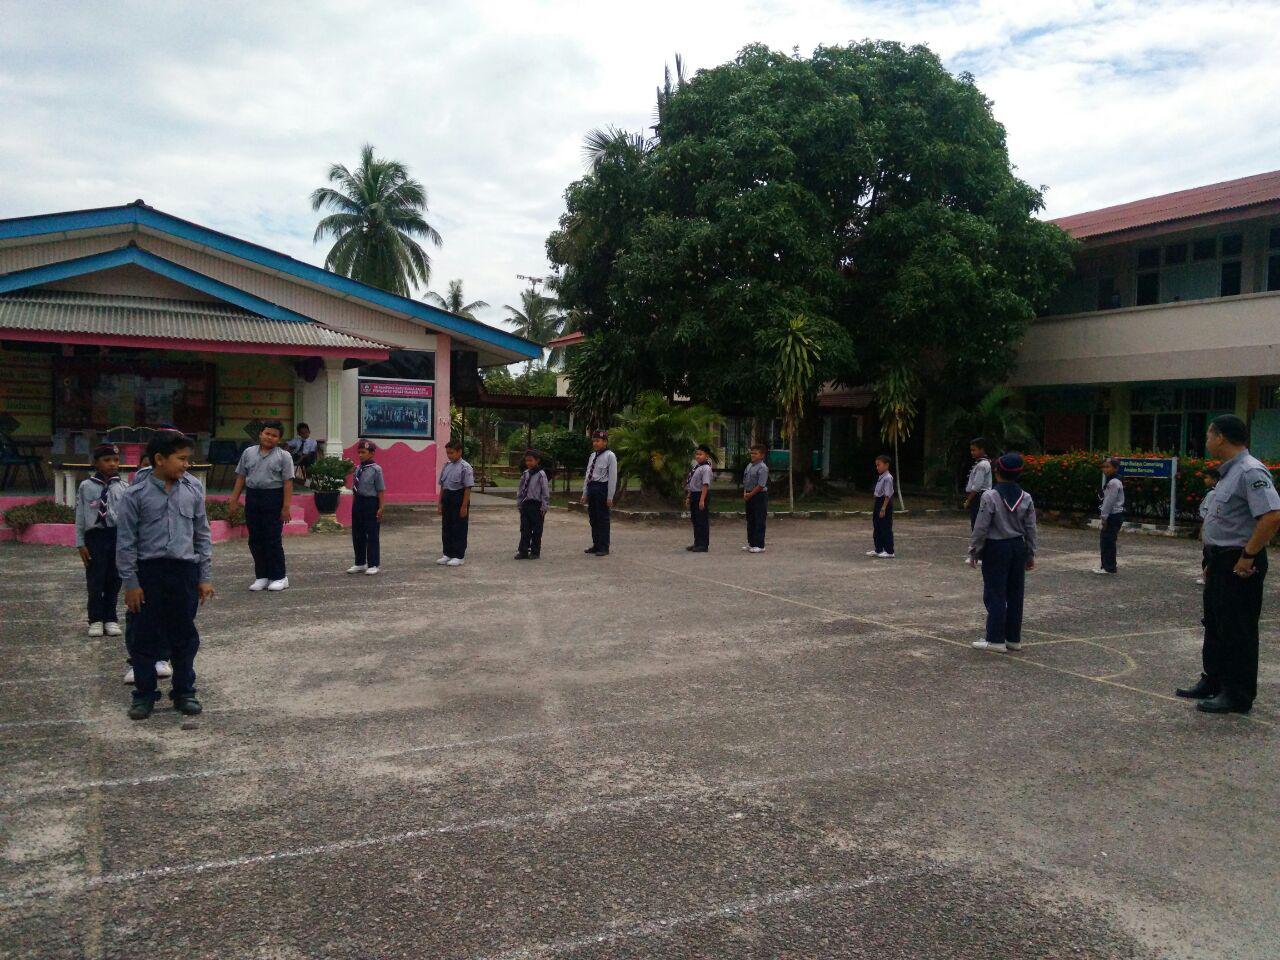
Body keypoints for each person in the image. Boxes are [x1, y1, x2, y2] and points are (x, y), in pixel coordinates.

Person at [1176, 415, 1280, 714]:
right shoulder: (1229, 472)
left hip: (1240, 560)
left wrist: (1247, 556)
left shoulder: (1249, 471)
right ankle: (1213, 680)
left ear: (1220, 437)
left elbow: (1272, 515)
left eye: (1208, 436)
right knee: (1215, 623)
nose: (1206, 441)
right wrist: (1213, 559)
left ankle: (1237, 694)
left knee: (1237, 627)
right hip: (1220, 559)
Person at [115, 431, 214, 720]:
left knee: (184, 636)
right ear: (159, 459)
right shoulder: (135, 494)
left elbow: (202, 536)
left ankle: (184, 692)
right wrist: (131, 583)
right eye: (181, 459)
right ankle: (144, 696)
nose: (186, 464)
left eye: (188, 459)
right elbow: (126, 542)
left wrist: (203, 576)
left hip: (183, 572)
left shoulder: (193, 490)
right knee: (143, 637)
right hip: (149, 574)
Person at [969, 452, 1037, 653]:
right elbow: (1031, 527)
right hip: (1018, 546)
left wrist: (974, 550)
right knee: (1016, 593)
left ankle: (995, 639)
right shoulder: (1026, 497)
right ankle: (1013, 638)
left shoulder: (990, 496)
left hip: (997, 547)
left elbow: (981, 526)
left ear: (997, 472)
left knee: (996, 593)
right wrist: (1031, 553)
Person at [228, 420, 293, 592]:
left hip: (273, 497)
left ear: (279, 439)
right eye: (267, 433)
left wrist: (286, 507)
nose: (269, 437)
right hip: (253, 497)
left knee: (272, 539)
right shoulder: (248, 452)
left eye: (274, 435)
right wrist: (234, 499)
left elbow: (287, 483)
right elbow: (241, 477)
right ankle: (262, 576)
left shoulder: (284, 456)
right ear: (260, 434)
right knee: (255, 539)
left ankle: (279, 576)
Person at [75, 443, 127, 638]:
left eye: (115, 460)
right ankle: (95, 619)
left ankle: (111, 618)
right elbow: (80, 515)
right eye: (107, 460)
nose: (112, 464)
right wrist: (80, 543)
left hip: (116, 536)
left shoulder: (123, 487)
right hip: (95, 538)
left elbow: (127, 517)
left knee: (114, 579)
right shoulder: (86, 486)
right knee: (95, 580)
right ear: (96, 463)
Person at [347, 439, 385, 575]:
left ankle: (373, 563)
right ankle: (360, 562)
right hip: (358, 502)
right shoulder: (358, 469)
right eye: (359, 452)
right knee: (357, 533)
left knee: (372, 533)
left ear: (372, 453)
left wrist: (381, 507)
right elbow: (355, 488)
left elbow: (380, 490)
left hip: (371, 502)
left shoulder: (376, 470)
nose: (360, 455)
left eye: (363, 452)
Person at [437, 439, 474, 566]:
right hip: (447, 497)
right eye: (448, 453)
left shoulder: (466, 467)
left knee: (459, 527)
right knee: (446, 527)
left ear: (459, 452)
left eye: (452, 453)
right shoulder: (446, 466)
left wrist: (464, 506)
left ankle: (459, 555)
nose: (449, 455)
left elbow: (467, 488)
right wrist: (440, 503)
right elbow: (442, 486)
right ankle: (447, 553)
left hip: (459, 497)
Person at [580, 430, 617, 556]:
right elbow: (588, 475)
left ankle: (604, 546)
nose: (595, 443)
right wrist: (585, 493)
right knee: (593, 518)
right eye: (594, 441)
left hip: (602, 488)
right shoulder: (592, 456)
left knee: (602, 519)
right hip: (592, 488)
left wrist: (610, 496)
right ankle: (596, 544)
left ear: (605, 442)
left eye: (598, 441)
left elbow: (612, 477)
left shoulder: (610, 456)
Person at [515, 449, 550, 560]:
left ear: (537, 461)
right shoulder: (525, 474)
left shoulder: (541, 474)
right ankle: (523, 551)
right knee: (524, 528)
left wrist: (544, 506)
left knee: (537, 529)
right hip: (526, 504)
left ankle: (535, 551)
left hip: (537, 505)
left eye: (531, 460)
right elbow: (521, 489)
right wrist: (519, 502)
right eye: (527, 461)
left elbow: (545, 491)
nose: (528, 463)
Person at [1094, 456, 1126, 575]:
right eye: (1104, 467)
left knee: (1107, 541)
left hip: (1113, 515)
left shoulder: (1113, 482)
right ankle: (1107, 565)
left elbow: (1109, 501)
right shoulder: (1114, 480)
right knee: (1107, 541)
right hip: (1114, 514)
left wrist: (1104, 517)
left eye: (1108, 467)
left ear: (1115, 468)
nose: (1105, 470)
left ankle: (1108, 567)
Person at [1194, 467, 1221, 585]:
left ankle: (1208, 577)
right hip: (1215, 528)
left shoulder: (1212, 493)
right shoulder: (1216, 491)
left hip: (1210, 528)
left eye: (1206, 478)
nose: (1204, 480)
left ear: (1214, 479)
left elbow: (1207, 514)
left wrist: (1202, 529)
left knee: (1208, 554)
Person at [685, 444, 714, 552]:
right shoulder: (697, 467)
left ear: (707, 456)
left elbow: (705, 485)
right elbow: (691, 483)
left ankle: (703, 544)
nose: (698, 456)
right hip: (694, 494)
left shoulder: (706, 468)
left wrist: (702, 500)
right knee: (695, 520)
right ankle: (697, 542)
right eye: (697, 454)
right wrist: (688, 496)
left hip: (701, 494)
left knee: (702, 520)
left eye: (701, 454)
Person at [742, 443, 769, 553]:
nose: (753, 455)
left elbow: (761, 485)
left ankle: (760, 544)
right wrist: (745, 493)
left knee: (759, 519)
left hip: (758, 495)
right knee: (750, 519)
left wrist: (751, 494)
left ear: (762, 455)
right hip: (749, 494)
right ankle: (751, 542)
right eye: (752, 453)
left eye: (755, 453)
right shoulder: (749, 466)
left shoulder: (763, 468)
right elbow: (745, 481)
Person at [867, 454, 895, 559]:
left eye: (879, 465)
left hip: (885, 503)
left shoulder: (888, 478)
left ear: (886, 465)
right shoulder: (881, 477)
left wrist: (883, 508)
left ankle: (889, 551)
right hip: (879, 502)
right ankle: (878, 549)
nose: (877, 467)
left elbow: (888, 495)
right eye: (876, 465)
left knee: (885, 527)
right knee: (877, 526)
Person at [963, 438, 993, 533]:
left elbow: (977, 486)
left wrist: (968, 500)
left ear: (982, 450)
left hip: (979, 497)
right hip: (979, 496)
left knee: (977, 523)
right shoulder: (981, 463)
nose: (972, 452)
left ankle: (978, 545)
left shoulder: (982, 465)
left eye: (974, 450)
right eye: (971, 450)